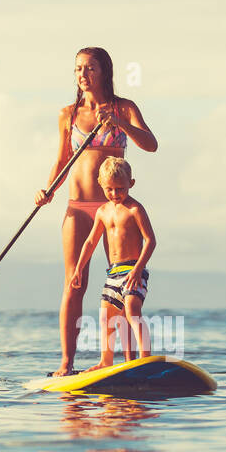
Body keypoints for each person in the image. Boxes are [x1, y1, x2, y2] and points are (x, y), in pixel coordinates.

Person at [34, 47, 156, 377]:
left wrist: (119, 123)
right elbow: (62, 160)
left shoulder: (123, 108)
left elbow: (150, 143)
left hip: (114, 208)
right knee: (74, 283)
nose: (83, 75)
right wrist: (48, 189)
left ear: (104, 71)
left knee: (123, 281)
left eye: (90, 68)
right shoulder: (68, 114)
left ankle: (130, 362)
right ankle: (66, 364)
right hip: (77, 207)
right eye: (77, 69)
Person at [70, 157, 155, 370]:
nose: (115, 194)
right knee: (105, 317)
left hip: (133, 269)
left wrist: (137, 269)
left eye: (120, 189)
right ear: (101, 184)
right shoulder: (102, 212)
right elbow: (90, 241)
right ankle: (105, 361)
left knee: (132, 311)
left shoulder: (135, 209)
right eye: (110, 189)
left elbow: (151, 240)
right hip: (113, 273)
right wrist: (78, 268)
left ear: (131, 184)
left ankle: (144, 359)